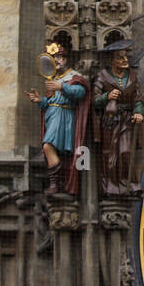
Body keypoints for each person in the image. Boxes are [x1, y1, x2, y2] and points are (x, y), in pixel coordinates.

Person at [27, 41, 90, 195]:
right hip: (52, 115)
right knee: (53, 149)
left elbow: (80, 92)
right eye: (54, 58)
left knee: (48, 146)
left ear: (66, 59)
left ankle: (55, 182)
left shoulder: (74, 76)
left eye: (60, 57)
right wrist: (39, 101)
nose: (57, 60)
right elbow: (51, 102)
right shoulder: (53, 78)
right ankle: (58, 181)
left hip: (64, 116)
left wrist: (61, 87)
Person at [92, 40, 144, 195]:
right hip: (110, 120)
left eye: (125, 57)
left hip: (127, 119)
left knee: (126, 151)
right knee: (110, 154)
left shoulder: (132, 77)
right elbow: (94, 101)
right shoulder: (102, 77)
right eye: (120, 58)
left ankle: (131, 185)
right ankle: (111, 187)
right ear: (112, 60)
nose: (125, 60)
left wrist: (139, 111)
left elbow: (138, 98)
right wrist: (107, 96)